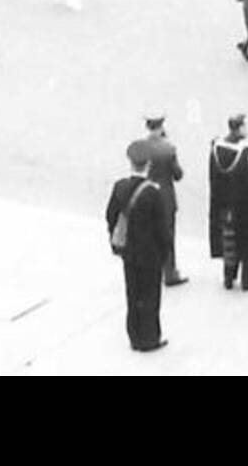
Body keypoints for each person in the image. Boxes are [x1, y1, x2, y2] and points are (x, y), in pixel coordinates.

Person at [106, 141, 170, 352]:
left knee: (132, 294)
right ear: (148, 164)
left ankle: (134, 334)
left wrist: (116, 241)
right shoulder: (153, 193)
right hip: (149, 254)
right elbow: (162, 228)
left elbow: (111, 216)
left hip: (129, 252)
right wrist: (164, 252)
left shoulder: (120, 187)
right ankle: (149, 337)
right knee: (150, 296)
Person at [207, 114, 248, 291]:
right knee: (247, 241)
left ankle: (228, 276)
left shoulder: (217, 147)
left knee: (229, 239)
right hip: (243, 205)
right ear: (239, 128)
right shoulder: (246, 151)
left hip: (223, 202)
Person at [142, 114, 188, 286]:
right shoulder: (168, 149)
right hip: (165, 198)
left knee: (150, 235)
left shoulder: (142, 147)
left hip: (146, 195)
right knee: (167, 235)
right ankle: (169, 272)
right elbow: (178, 175)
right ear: (161, 127)